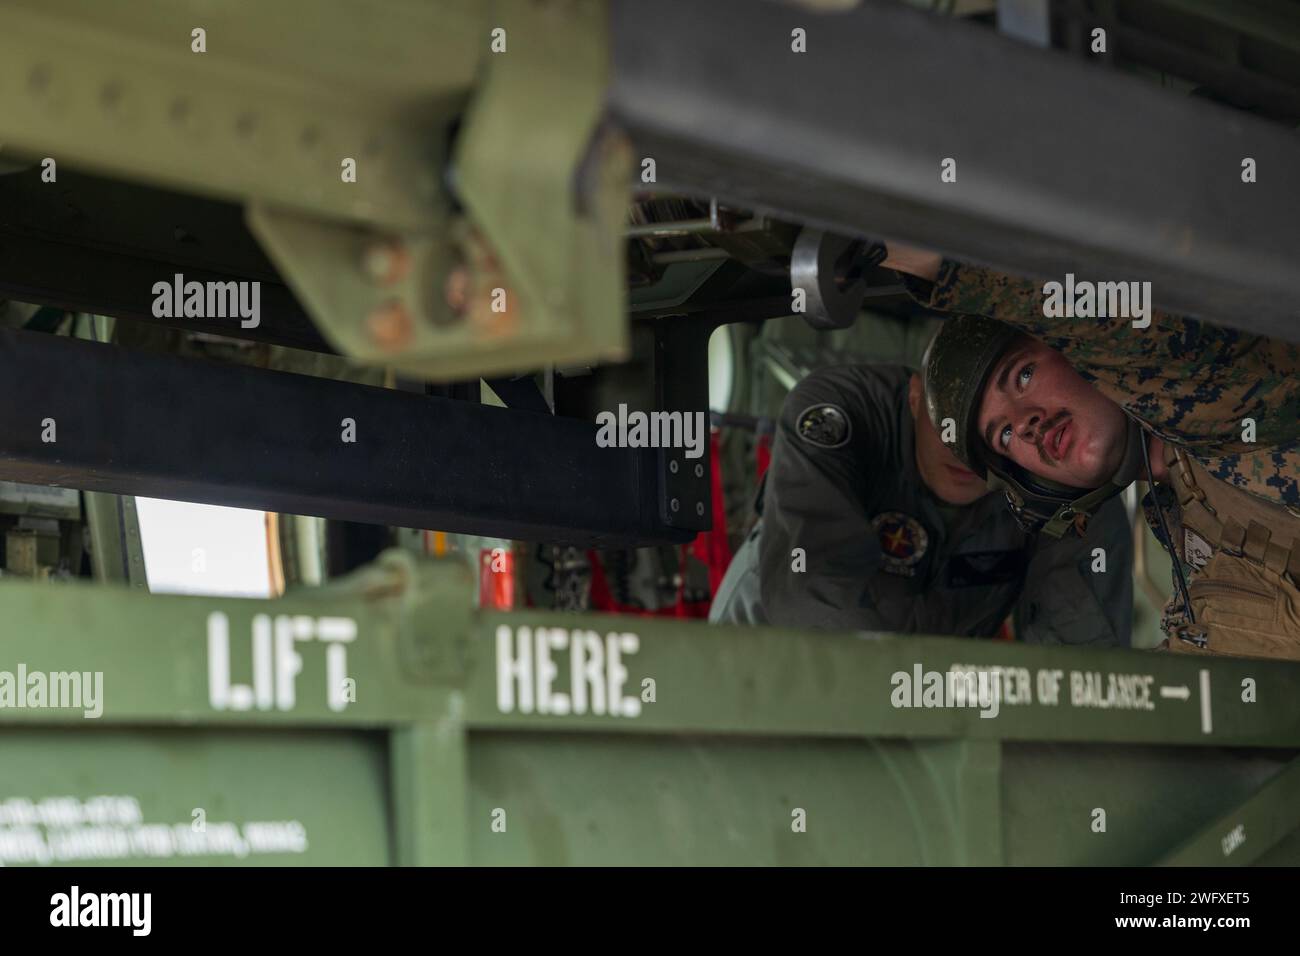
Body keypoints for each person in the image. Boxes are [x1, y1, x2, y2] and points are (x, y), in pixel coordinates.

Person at [882, 243, 1300, 658]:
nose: (1024, 423)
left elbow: (1110, 322)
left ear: (1079, 350)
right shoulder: (1185, 518)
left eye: (1024, 375)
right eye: (1004, 436)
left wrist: (922, 255)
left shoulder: (1223, 393)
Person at [709, 360, 1133, 645]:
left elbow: (1078, 652)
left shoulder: (1055, 477)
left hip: (931, 705)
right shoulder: (849, 417)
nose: (966, 453)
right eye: (948, 423)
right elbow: (815, 607)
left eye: (990, 434)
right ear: (914, 398)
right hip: (770, 664)